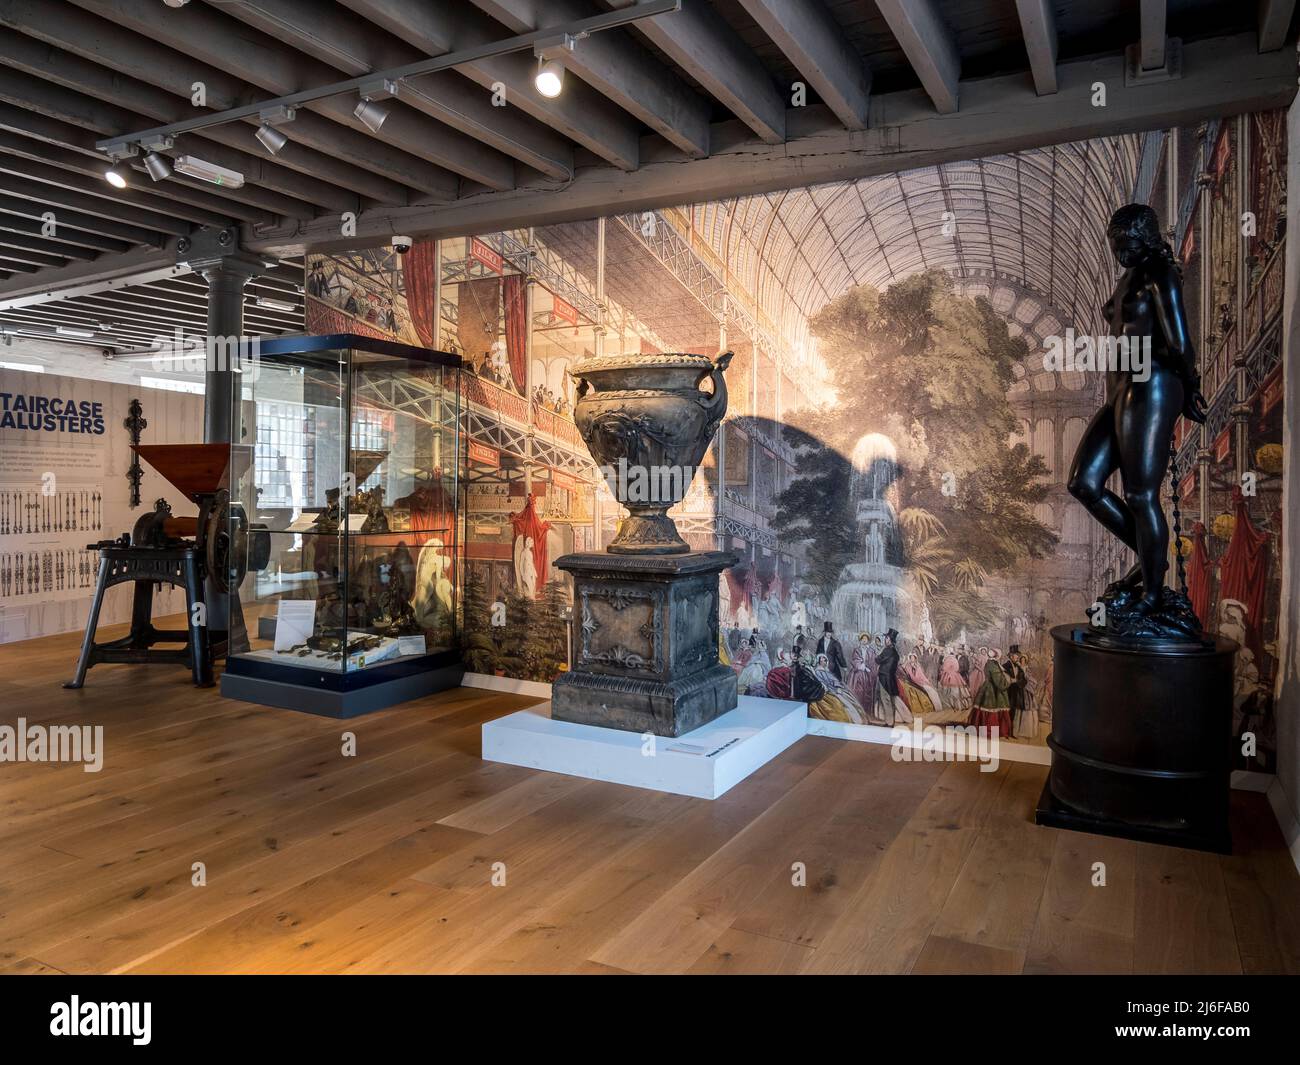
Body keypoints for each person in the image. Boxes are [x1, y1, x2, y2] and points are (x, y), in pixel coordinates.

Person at [1066, 203, 1207, 619]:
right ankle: (1152, 562)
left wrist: (1192, 388)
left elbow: (1179, 340)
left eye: (1125, 242)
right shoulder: (1130, 275)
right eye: (1114, 244)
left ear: (1144, 237)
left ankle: (1152, 593)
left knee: (1141, 494)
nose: (1119, 252)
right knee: (1083, 484)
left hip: (1153, 384)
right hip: (1121, 390)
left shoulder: (1160, 274)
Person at [969, 647, 1012, 736]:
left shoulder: (993, 663)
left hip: (991, 687)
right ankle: (990, 731)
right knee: (991, 706)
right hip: (992, 688)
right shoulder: (992, 664)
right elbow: (998, 680)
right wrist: (1007, 683)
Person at [848, 633, 878, 716]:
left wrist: (871, 670)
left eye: (866, 639)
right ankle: (858, 712)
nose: (864, 641)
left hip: (868, 676)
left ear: (868, 641)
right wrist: (863, 667)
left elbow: (873, 663)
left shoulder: (871, 651)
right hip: (858, 675)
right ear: (860, 640)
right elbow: (855, 660)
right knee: (859, 692)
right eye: (863, 639)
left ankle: (867, 713)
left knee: (868, 693)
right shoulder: (856, 650)